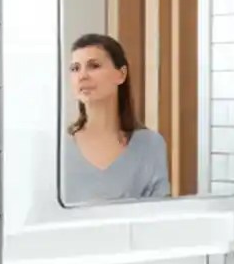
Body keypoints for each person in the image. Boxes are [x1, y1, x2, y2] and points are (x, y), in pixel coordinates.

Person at [62, 33, 170, 204]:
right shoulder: (57, 149)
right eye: (75, 68)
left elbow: (157, 218)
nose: (82, 76)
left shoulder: (150, 146)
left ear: (121, 74)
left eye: (94, 66)